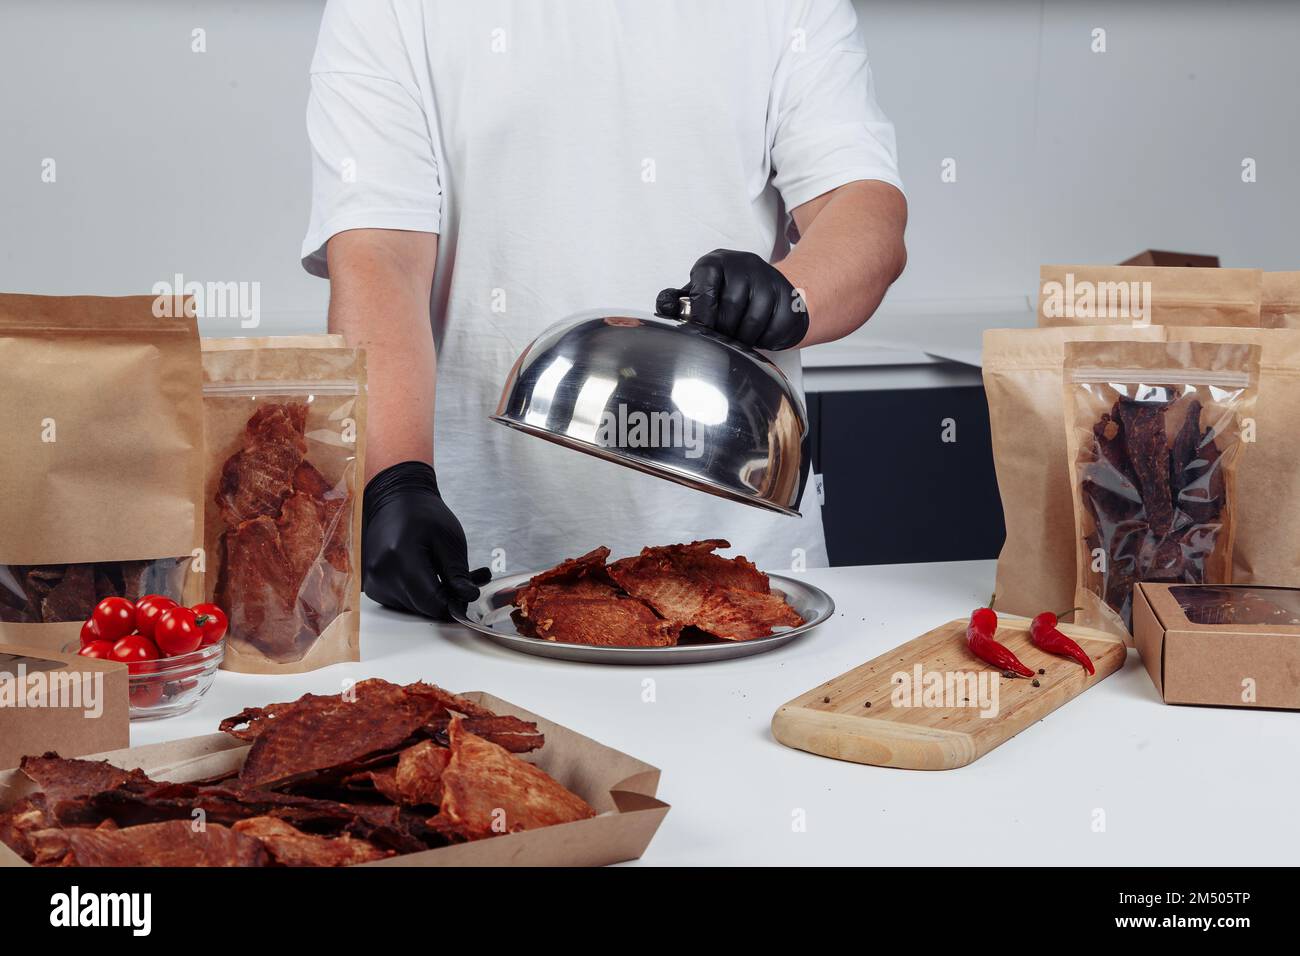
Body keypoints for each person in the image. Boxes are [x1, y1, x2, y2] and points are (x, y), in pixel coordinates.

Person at [301, 0, 907, 620]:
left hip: (739, 574)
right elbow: (380, 256)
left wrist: (790, 296)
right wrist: (394, 483)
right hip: (467, 571)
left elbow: (864, 211)